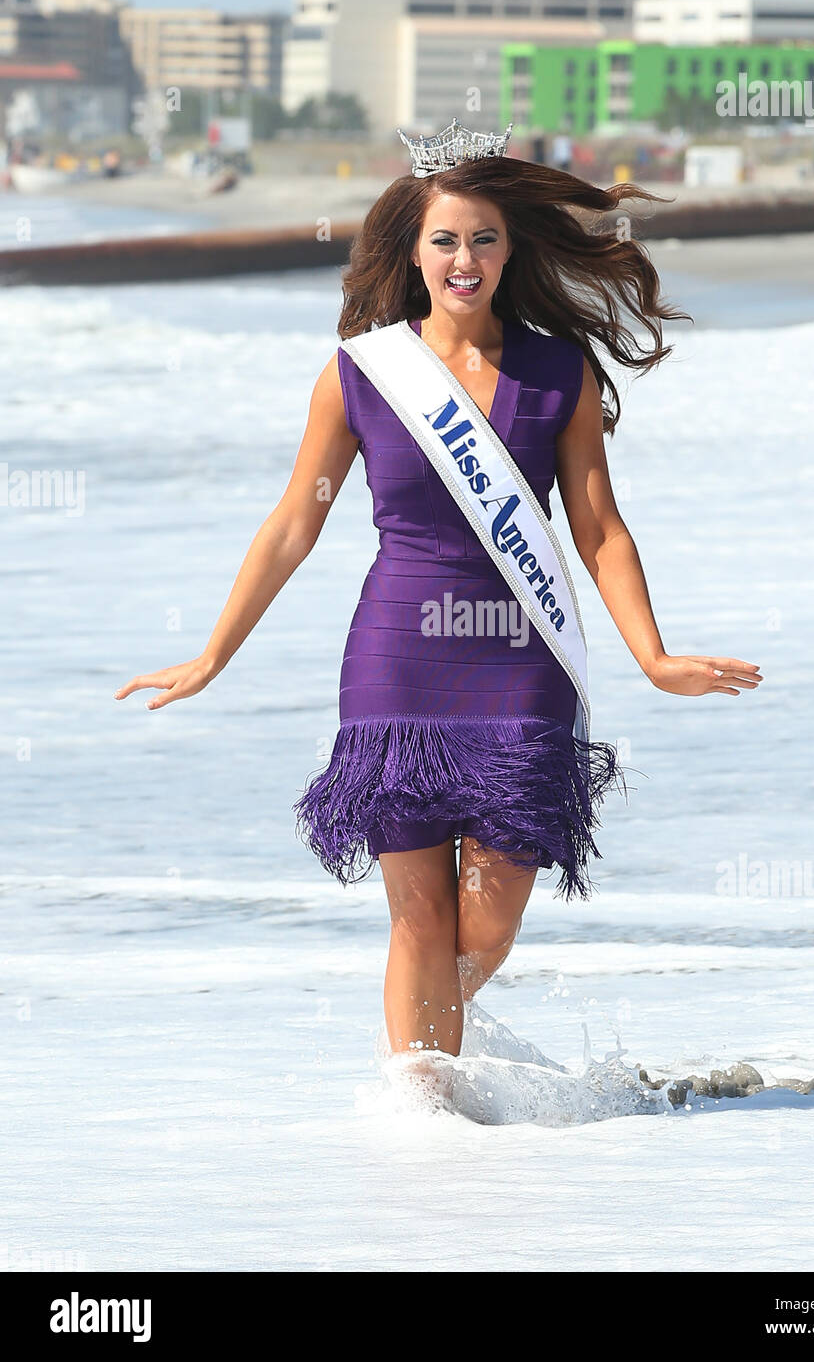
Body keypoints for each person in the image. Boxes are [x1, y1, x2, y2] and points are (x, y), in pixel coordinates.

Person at [114, 122, 761, 1076]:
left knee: (487, 922)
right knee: (417, 912)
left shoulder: (557, 370)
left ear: (512, 250)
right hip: (396, 657)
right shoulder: (362, 374)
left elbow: (597, 528)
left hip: (522, 660)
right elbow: (296, 521)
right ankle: (425, 1114)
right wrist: (213, 654)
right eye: (446, 241)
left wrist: (654, 658)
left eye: (485, 239)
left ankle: (430, 1040)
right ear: (412, 250)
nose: (466, 259)